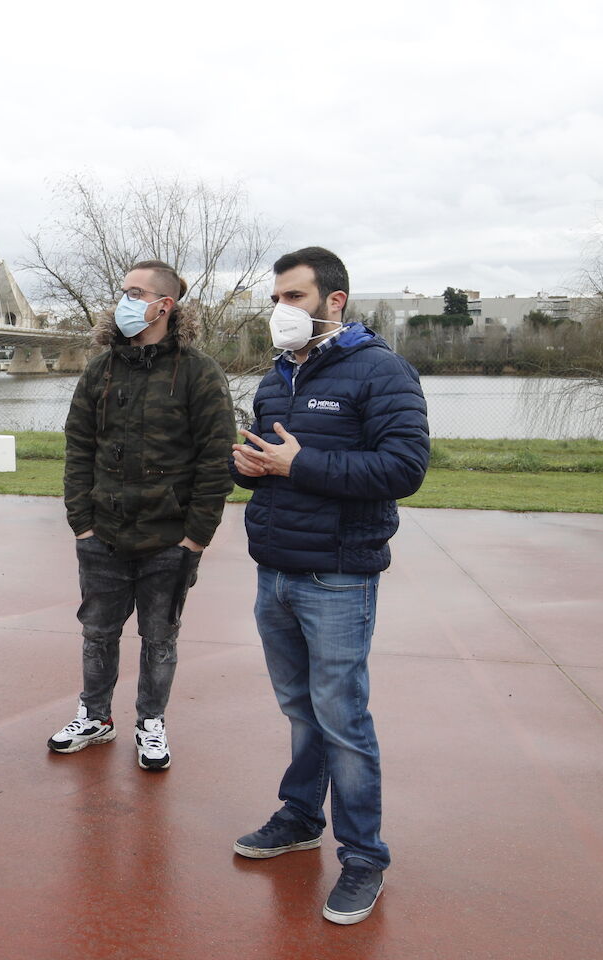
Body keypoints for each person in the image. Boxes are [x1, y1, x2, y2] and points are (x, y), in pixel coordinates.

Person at [229, 246, 429, 926]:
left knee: (343, 720)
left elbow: (404, 467)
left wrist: (299, 465)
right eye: (276, 297)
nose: (280, 309)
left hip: (337, 575)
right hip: (275, 570)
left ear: (333, 301)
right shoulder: (277, 374)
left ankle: (364, 857)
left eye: (293, 297)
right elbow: (271, 458)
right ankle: (299, 816)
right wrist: (250, 467)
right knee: (299, 709)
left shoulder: (381, 371)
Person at [51, 260, 236, 770]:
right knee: (97, 633)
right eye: (124, 290)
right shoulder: (101, 369)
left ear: (164, 305)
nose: (124, 300)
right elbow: (78, 448)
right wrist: (81, 524)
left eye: (135, 292)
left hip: (169, 539)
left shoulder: (199, 373)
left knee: (159, 638)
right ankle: (95, 716)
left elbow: (214, 461)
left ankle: (151, 721)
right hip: (102, 536)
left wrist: (195, 539)